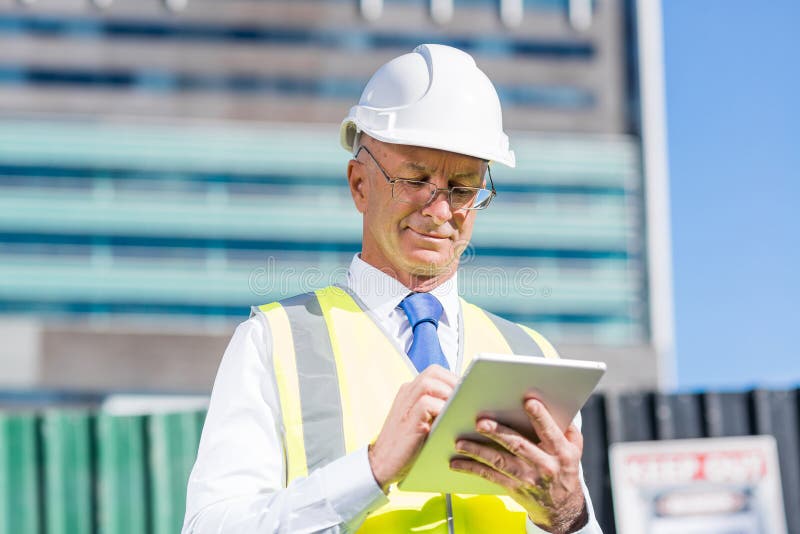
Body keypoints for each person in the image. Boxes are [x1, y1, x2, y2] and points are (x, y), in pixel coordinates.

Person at [183, 44, 603, 534]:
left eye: (463, 189)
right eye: (415, 179)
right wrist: (371, 469)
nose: (440, 210)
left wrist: (569, 515)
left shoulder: (533, 355)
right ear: (360, 184)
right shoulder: (272, 343)